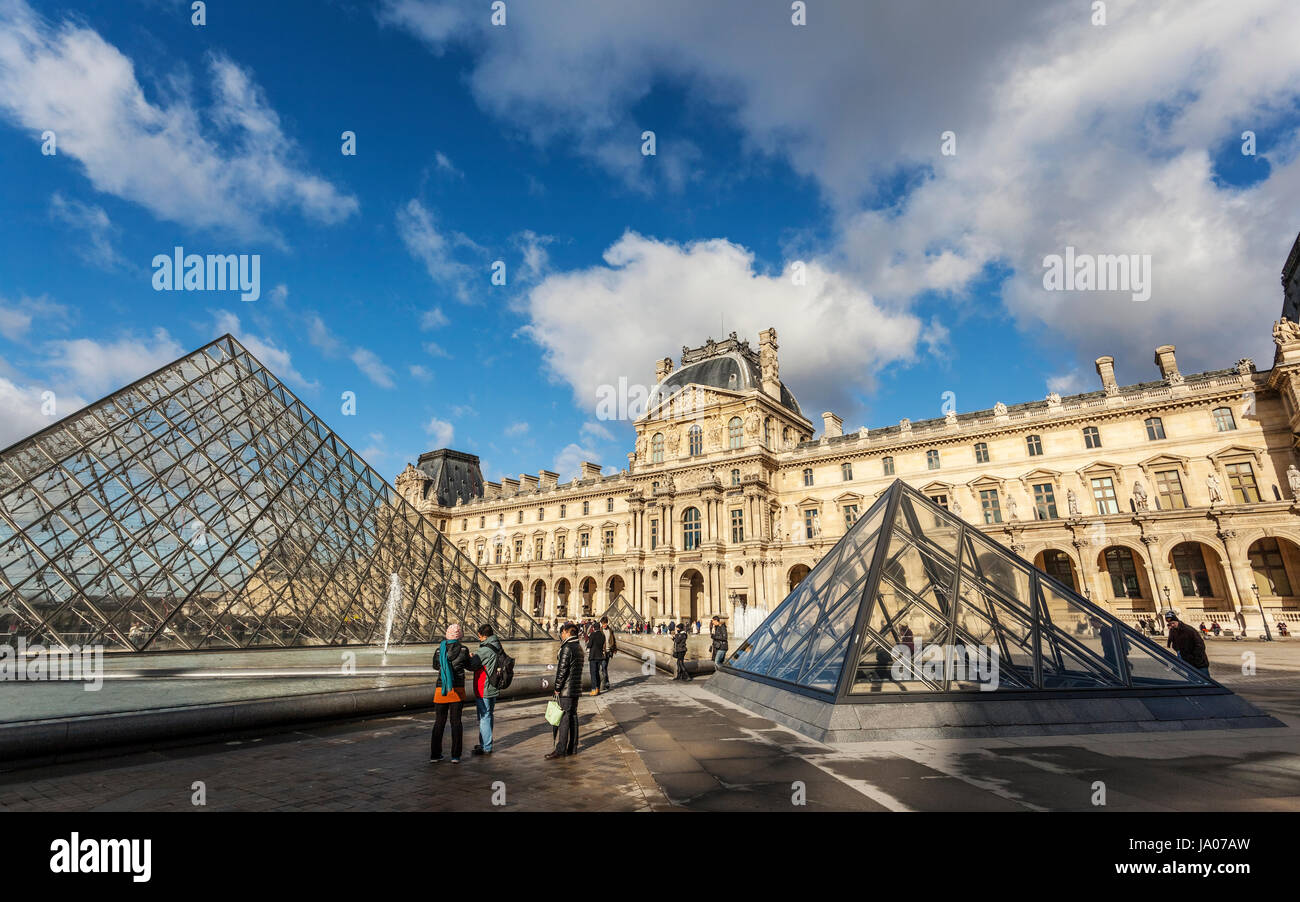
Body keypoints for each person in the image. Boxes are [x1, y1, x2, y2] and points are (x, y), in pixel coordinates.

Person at [431, 623, 471, 763]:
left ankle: (435, 755)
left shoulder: (439, 649)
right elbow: (470, 666)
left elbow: (436, 666)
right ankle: (455, 756)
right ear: (460, 635)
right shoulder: (464, 650)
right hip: (457, 689)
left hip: (440, 690)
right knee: (456, 723)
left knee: (439, 723)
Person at [547, 622, 583, 759]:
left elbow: (562, 671)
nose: (561, 634)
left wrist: (557, 688)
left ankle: (560, 749)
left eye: (562, 632)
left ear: (568, 632)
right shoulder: (579, 647)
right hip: (575, 688)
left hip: (566, 690)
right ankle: (572, 747)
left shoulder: (567, 648)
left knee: (564, 719)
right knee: (573, 717)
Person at [468, 623, 502, 757]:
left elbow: (472, 666)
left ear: (483, 635)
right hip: (493, 685)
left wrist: (471, 657)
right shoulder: (497, 644)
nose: (479, 639)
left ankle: (486, 746)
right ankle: (484, 742)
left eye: (479, 637)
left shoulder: (484, 650)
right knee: (489, 715)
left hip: (484, 687)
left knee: (484, 717)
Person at [1165, 612, 1211, 678]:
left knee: (1206, 681)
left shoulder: (1188, 630)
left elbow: (1200, 644)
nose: (1171, 625)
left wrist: (1195, 657)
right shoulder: (1173, 631)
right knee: (1193, 681)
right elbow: (1173, 641)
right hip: (1187, 661)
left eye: (1173, 623)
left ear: (1177, 621)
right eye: (1169, 624)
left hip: (1198, 661)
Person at [586, 618, 606, 696]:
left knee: (593, 673)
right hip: (600, 656)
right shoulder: (602, 635)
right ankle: (597, 688)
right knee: (597, 673)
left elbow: (589, 645)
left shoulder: (593, 634)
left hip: (593, 656)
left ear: (594, 628)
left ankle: (594, 689)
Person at [599, 616, 615, 690]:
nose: (604, 625)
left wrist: (614, 648)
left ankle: (604, 682)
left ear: (607, 623)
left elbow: (613, 640)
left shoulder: (610, 630)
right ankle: (606, 682)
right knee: (604, 667)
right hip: (602, 652)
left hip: (608, 651)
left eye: (605, 623)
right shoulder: (600, 631)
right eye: (603, 623)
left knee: (604, 667)